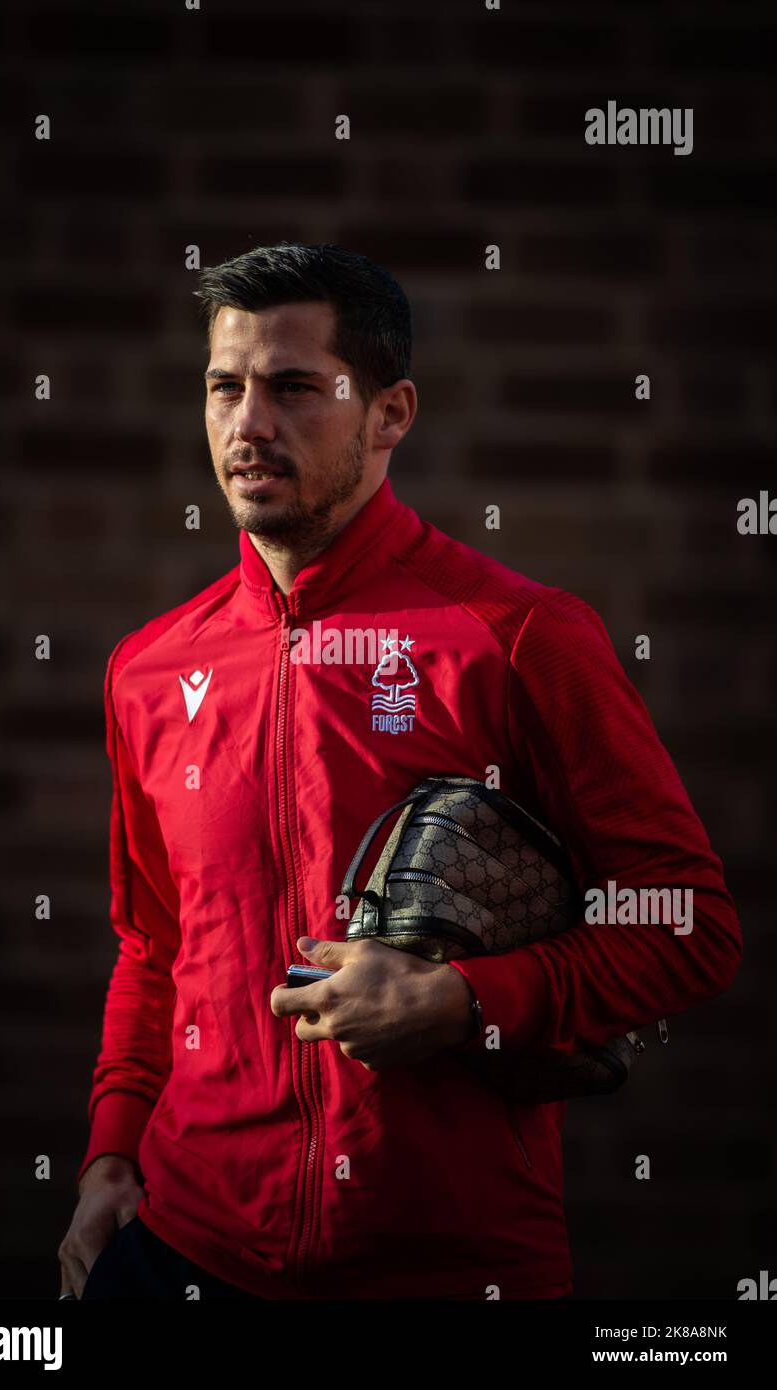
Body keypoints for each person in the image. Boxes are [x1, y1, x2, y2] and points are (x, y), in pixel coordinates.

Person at [58, 242, 742, 1301]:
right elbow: (154, 945)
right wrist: (109, 1154)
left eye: (293, 387)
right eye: (223, 387)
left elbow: (687, 919)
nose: (248, 426)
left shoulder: (519, 637)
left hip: (448, 1273)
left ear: (391, 413)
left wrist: (463, 998)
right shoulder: (151, 668)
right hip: (180, 1256)